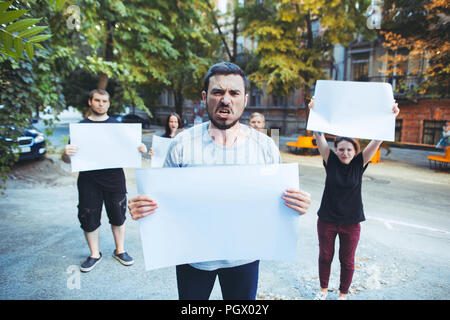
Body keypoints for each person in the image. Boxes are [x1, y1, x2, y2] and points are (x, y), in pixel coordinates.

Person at [128, 62, 311, 300]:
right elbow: (163, 202)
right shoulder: (182, 144)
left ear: (245, 99)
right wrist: (144, 208)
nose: (226, 99)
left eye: (234, 93)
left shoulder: (264, 146)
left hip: (244, 257)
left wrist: (297, 204)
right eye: (218, 92)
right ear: (205, 97)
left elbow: (277, 201)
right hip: (193, 258)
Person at [308, 98, 400, 300]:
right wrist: (314, 112)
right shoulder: (330, 160)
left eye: (349, 149)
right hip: (327, 220)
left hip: (351, 222)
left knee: (347, 260)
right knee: (325, 256)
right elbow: (318, 134)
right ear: (335, 150)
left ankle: (343, 294)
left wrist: (390, 115)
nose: (345, 152)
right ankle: (323, 290)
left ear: (356, 151)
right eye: (341, 148)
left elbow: (378, 140)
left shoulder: (360, 163)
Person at [62, 89, 148, 272]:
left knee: (118, 216)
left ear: (109, 104)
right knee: (88, 217)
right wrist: (65, 154)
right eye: (97, 100)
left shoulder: (120, 127)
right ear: (90, 102)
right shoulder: (80, 128)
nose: (101, 104)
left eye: (104, 101)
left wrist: (140, 150)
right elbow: (68, 159)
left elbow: (132, 151)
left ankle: (120, 250)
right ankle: (94, 254)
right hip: (88, 180)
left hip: (114, 179)